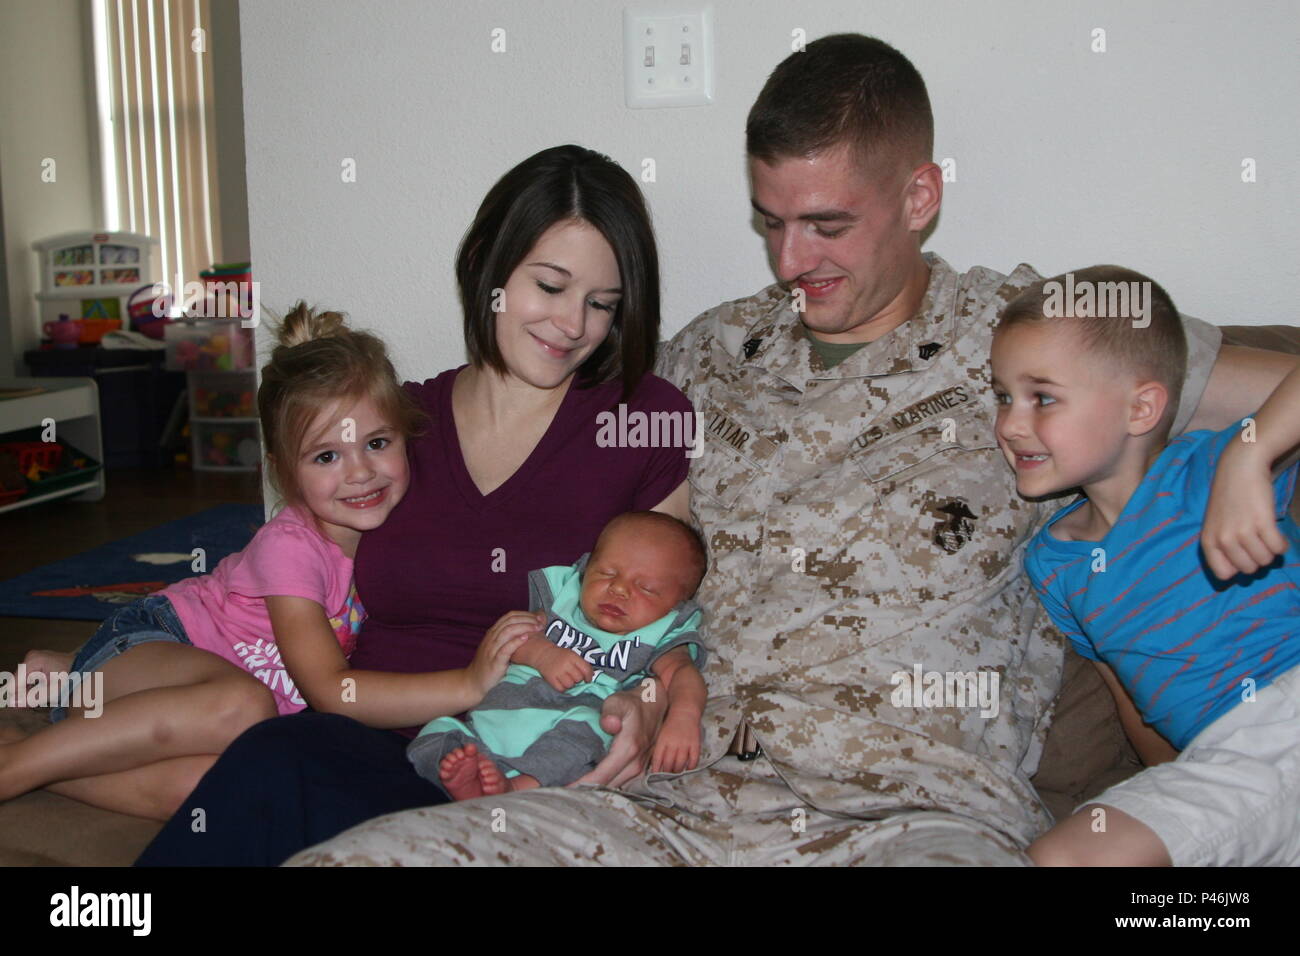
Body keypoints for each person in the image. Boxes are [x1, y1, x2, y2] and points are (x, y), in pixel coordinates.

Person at [286, 34, 1296, 867]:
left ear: (917, 197)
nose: (789, 262)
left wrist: (1249, 451)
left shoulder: (1035, 340)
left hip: (916, 818)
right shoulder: (704, 356)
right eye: (769, 223)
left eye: (825, 225)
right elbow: (605, 562)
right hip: (674, 801)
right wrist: (631, 693)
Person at [134, 144, 694, 865]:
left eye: (601, 304)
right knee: (275, 760)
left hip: (531, 763)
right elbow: (296, 564)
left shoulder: (642, 420)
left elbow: (673, 603)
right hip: (377, 742)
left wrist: (650, 705)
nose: (571, 325)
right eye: (550, 286)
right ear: (488, 264)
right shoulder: (393, 429)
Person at [0, 304, 523, 813]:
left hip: (201, 704)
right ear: (282, 471)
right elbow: (331, 691)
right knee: (245, 708)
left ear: (406, 440)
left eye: (377, 442)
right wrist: (467, 682)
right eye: (327, 456)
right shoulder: (291, 546)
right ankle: (18, 764)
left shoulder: (396, 525)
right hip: (159, 642)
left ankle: (50, 746)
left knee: (231, 788)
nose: (360, 472)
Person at [987, 266, 1300, 867]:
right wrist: (1163, 790)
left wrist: (1249, 457)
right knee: (1065, 855)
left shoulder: (1210, 469)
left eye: (1042, 398)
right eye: (1003, 396)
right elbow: (1139, 705)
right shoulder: (1054, 564)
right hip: (1224, 769)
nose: (1009, 425)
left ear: (1141, 409)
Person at [417, 510, 708, 799]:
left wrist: (684, 716)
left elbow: (682, 674)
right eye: (605, 573)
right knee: (437, 731)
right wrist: (543, 654)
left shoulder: (658, 634)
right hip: (495, 721)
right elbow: (511, 638)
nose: (618, 588)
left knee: (593, 728)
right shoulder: (563, 600)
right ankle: (469, 781)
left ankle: (518, 787)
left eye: (646, 587)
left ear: (675, 606)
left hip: (569, 724)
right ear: (584, 568)